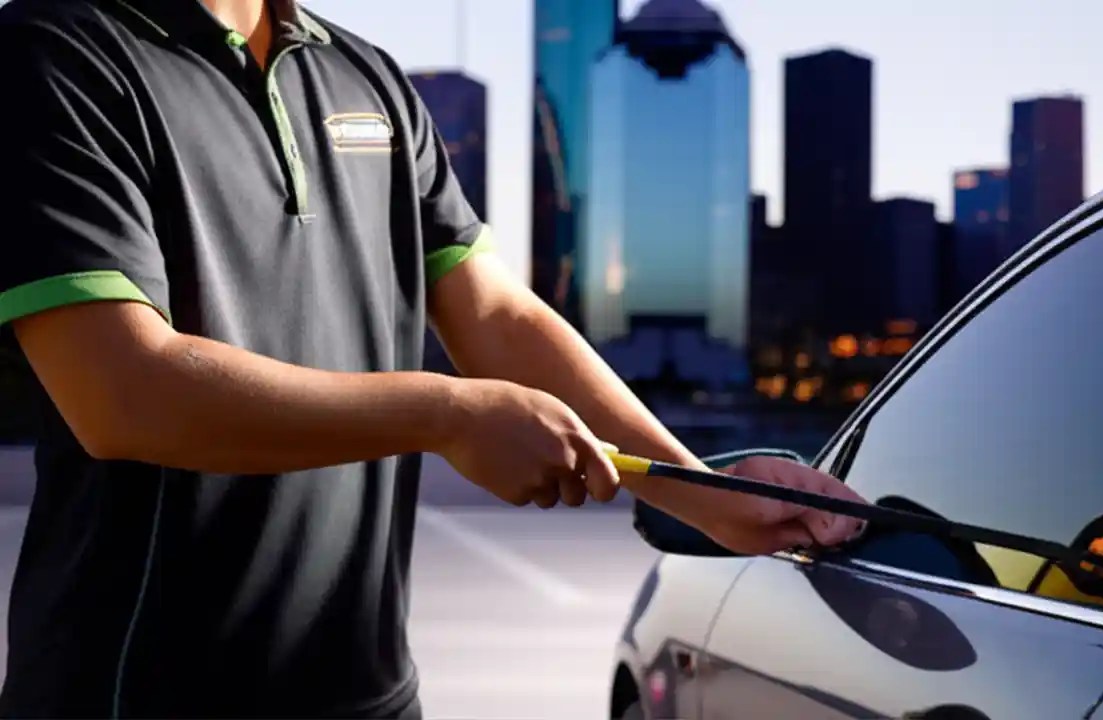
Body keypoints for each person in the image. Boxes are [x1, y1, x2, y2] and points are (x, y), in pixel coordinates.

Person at [0, 0, 867, 716]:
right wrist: (446, 413)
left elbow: (494, 313)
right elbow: (119, 394)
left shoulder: (365, 76)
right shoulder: (54, 57)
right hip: (130, 695)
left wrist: (701, 496)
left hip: (371, 693)